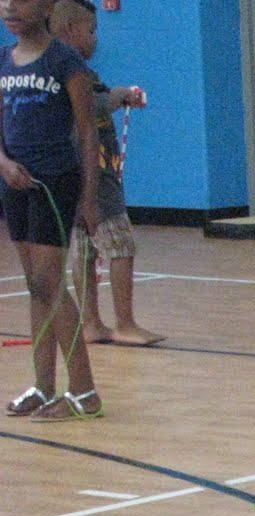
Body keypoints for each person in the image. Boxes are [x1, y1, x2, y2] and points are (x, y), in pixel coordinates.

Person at [0, 0, 102, 421]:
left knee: (51, 284)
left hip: (53, 182)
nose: (9, 7)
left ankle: (85, 391)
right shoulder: (4, 60)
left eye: (20, 1)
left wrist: (90, 197)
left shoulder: (65, 60)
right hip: (14, 183)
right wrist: (4, 164)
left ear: (45, 7)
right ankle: (43, 386)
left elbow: (87, 130)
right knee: (35, 286)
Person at [48, 0, 162, 347]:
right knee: (121, 246)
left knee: (84, 250)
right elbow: (92, 104)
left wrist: (120, 98)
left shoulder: (70, 70)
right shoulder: (71, 72)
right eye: (92, 30)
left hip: (78, 176)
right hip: (95, 177)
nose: (96, 39)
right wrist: (122, 95)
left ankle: (92, 323)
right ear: (70, 30)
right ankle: (125, 323)